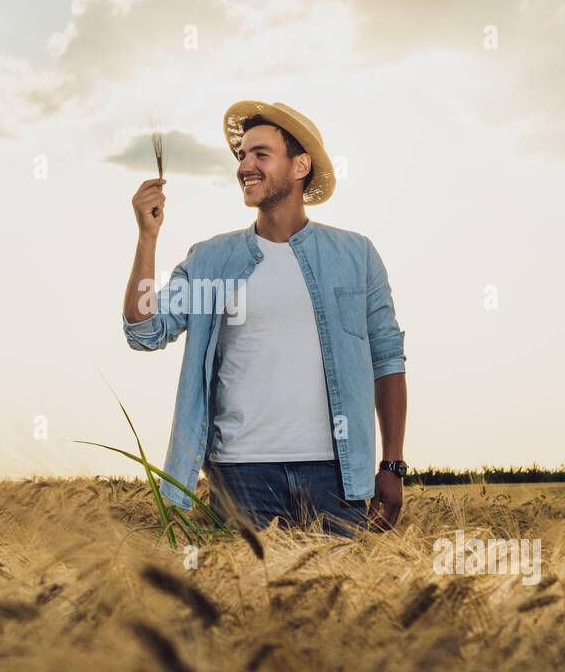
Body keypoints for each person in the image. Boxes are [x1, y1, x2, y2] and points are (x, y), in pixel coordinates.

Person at [122, 100, 408, 536]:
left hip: (335, 475)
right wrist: (147, 237)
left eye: (260, 154)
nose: (244, 166)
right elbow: (145, 330)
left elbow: (387, 359)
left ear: (300, 166)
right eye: (241, 156)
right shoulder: (212, 259)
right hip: (239, 475)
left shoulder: (355, 255)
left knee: (337, 603)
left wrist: (391, 463)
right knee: (243, 604)